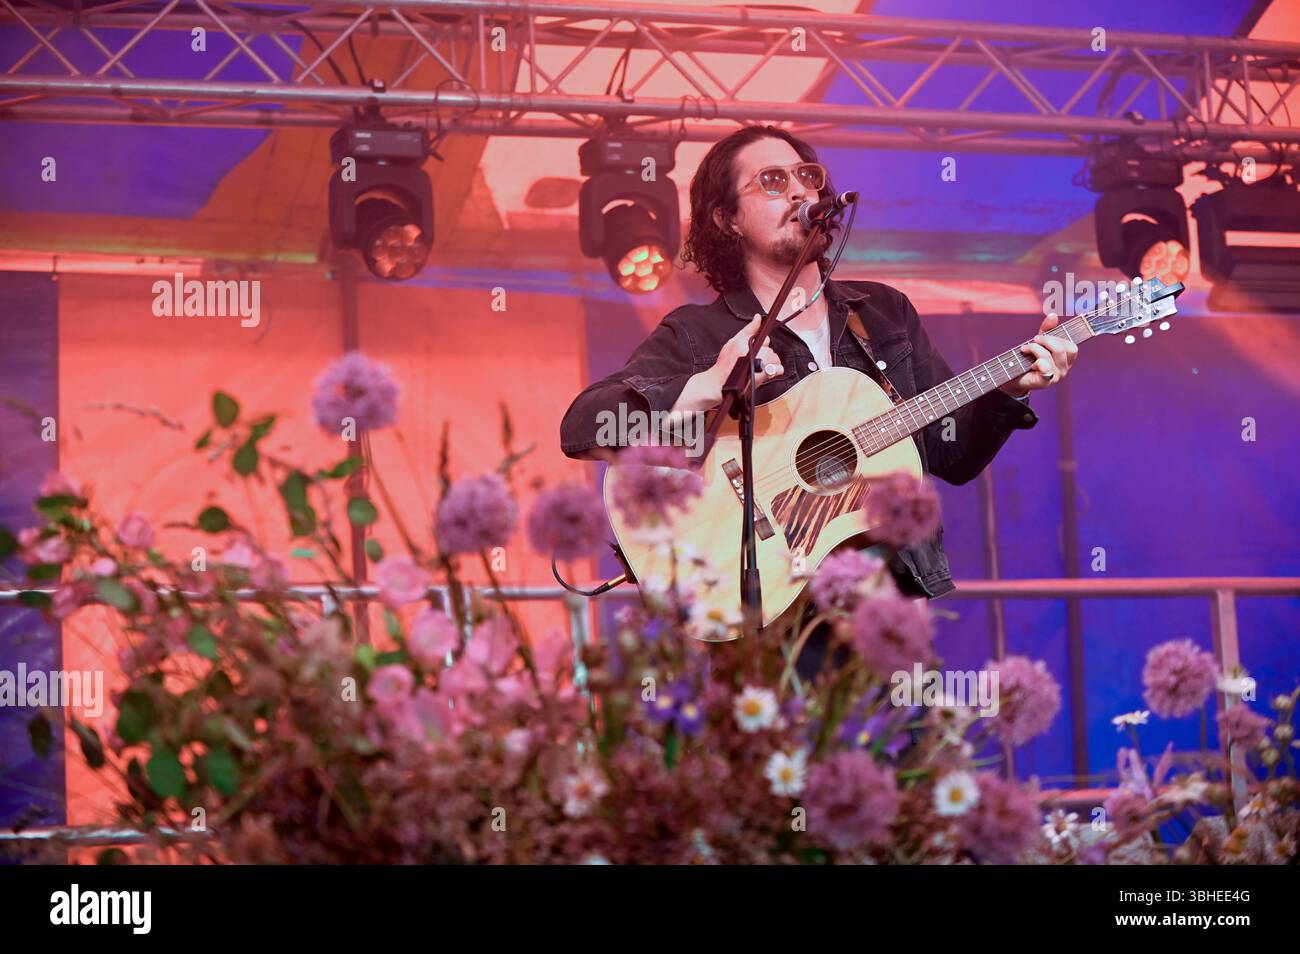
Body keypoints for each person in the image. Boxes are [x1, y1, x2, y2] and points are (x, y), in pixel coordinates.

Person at [560, 125, 1077, 676]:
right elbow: (587, 426)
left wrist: (1007, 390)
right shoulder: (700, 333)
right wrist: (707, 385)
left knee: (900, 760)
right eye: (772, 182)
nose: (800, 192)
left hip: (885, 616)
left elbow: (951, 455)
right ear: (725, 218)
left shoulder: (882, 313)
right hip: (763, 619)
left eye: (808, 177)